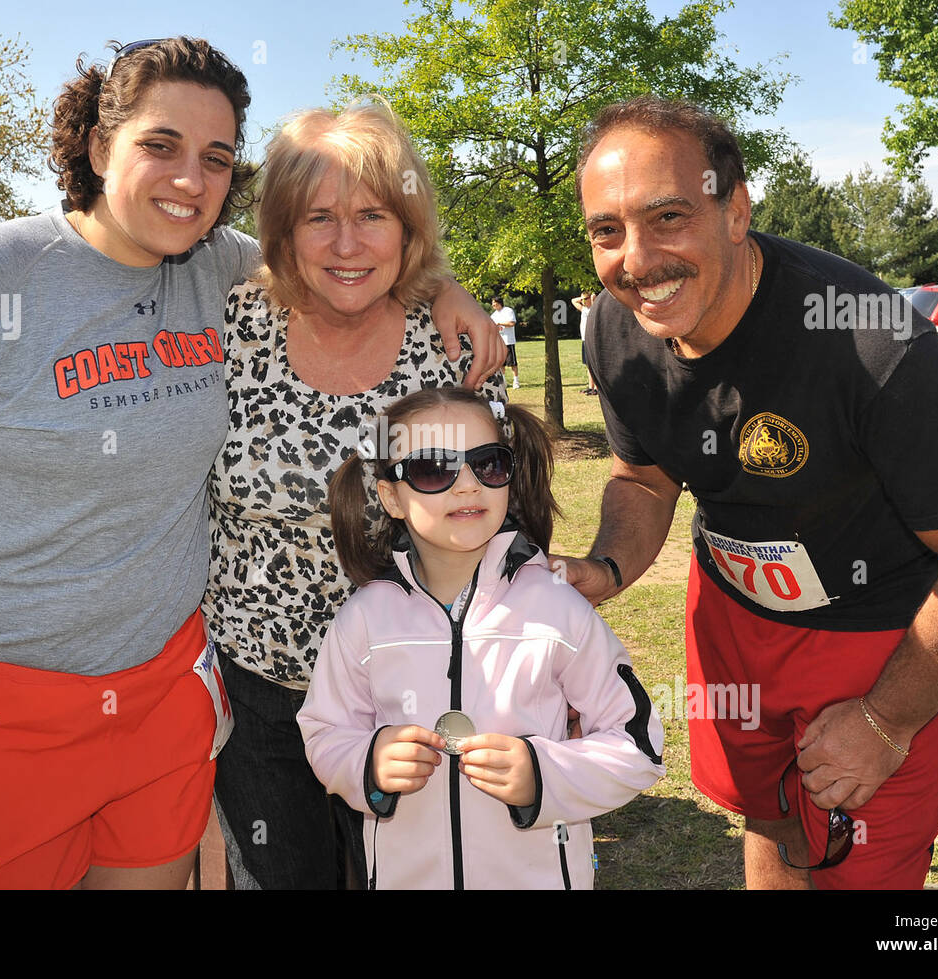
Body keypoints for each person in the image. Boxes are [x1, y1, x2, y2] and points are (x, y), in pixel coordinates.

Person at [0, 38, 501, 890]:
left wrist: (442, 286)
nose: (190, 182)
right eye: (161, 147)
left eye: (217, 159)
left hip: (163, 694)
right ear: (99, 147)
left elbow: (349, 255)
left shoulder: (219, 268)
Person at [564, 95, 938, 889]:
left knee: (863, 869)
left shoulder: (876, 346)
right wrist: (604, 569)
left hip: (885, 636)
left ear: (736, 210)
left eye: (668, 216)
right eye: (607, 230)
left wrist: (886, 722)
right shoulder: (617, 329)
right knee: (773, 817)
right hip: (733, 616)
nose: (636, 260)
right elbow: (645, 476)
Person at [205, 101, 508, 889]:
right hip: (258, 688)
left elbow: (504, 520)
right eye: (318, 218)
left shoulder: (450, 347)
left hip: (412, 694)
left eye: (373, 215)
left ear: (407, 227)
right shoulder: (232, 323)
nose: (346, 244)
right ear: (281, 230)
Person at [297, 387, 665, 888]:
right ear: (392, 497)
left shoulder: (557, 609)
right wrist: (368, 762)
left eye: (488, 464)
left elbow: (638, 744)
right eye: (433, 469)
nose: (468, 485)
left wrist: (544, 773)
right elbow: (324, 731)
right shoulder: (364, 620)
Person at [572, 289, 598, 394]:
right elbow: (573, 300)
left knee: (594, 364)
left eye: (584, 299)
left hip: (592, 339)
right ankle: (590, 387)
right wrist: (583, 298)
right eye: (582, 300)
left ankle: (597, 388)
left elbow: (594, 297)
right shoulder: (583, 309)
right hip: (584, 340)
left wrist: (591, 297)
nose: (582, 301)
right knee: (588, 364)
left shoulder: (594, 308)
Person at [491, 297, 519, 388]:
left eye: (494, 303)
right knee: (501, 363)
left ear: (499, 303)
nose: (493, 305)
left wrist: (500, 323)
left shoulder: (508, 311)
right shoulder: (493, 315)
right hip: (499, 341)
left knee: (512, 362)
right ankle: (503, 381)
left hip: (508, 340)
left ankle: (516, 381)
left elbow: (512, 323)